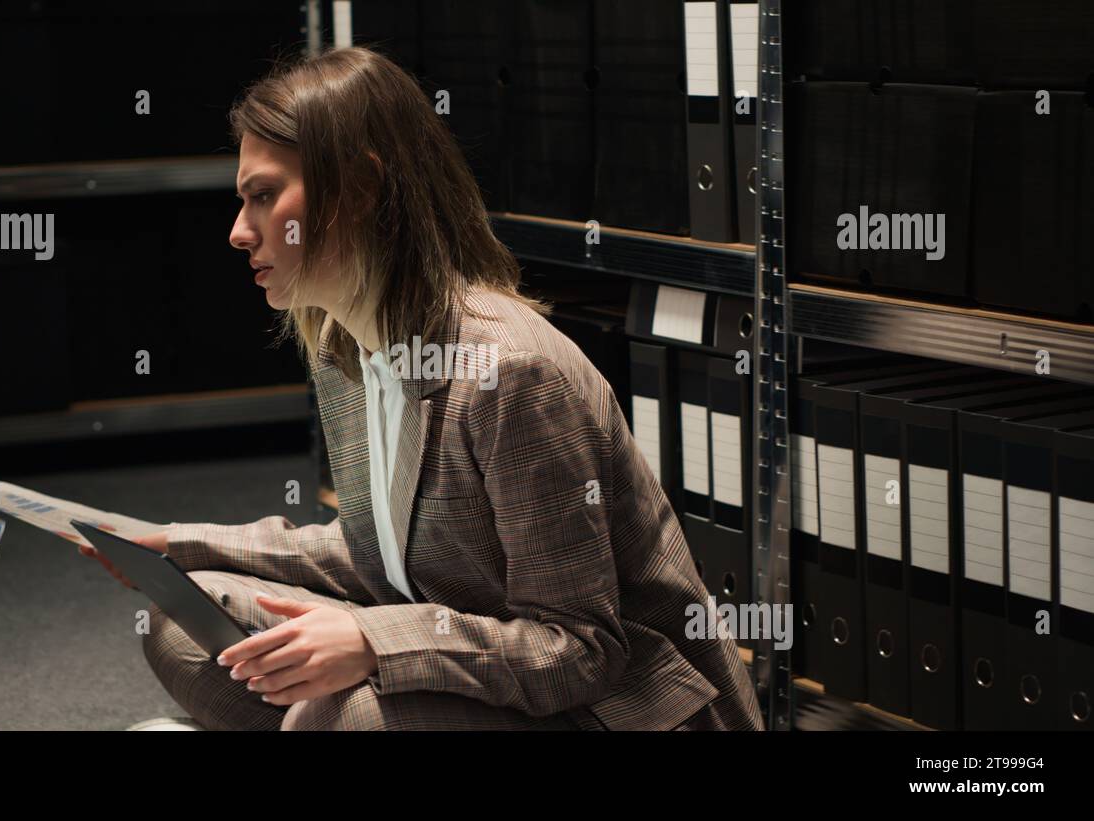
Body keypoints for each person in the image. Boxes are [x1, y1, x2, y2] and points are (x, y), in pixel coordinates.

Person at [83, 46, 763, 731]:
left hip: (614, 706)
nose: (238, 232)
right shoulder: (343, 346)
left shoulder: (510, 372)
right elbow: (373, 550)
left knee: (344, 718)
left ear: (363, 189)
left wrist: (374, 644)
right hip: (479, 654)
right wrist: (175, 543)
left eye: (264, 196)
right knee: (184, 618)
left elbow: (581, 649)